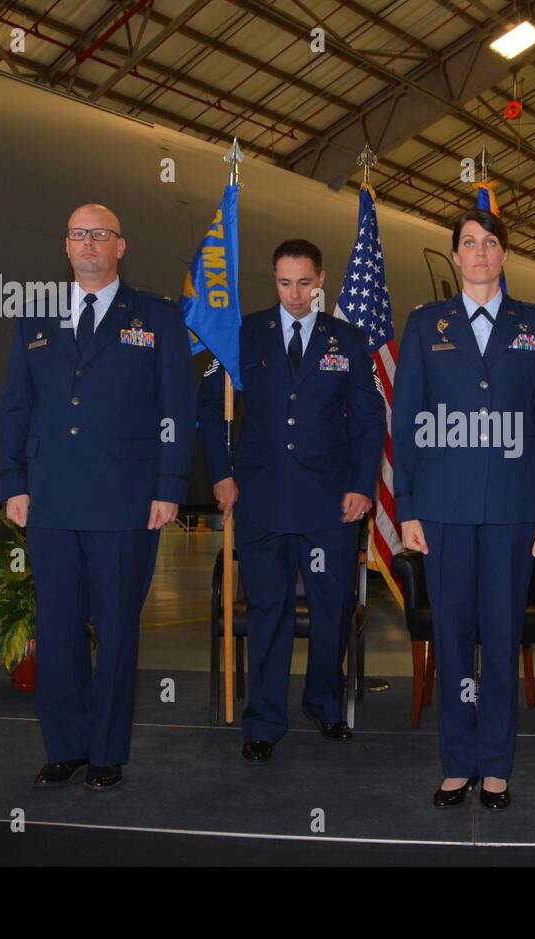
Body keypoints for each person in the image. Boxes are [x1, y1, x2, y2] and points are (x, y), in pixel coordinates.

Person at [0, 203, 196, 791]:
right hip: (51, 499)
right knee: (57, 629)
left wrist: (169, 487)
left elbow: (177, 411)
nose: (88, 244)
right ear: (66, 247)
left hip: (125, 500)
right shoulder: (33, 321)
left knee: (115, 629)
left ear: (120, 246)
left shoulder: (156, 318)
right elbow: (16, 405)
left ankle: (107, 750)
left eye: (100, 234)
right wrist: (14, 481)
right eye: (78, 235)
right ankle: (65, 746)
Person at [392, 209, 535, 811]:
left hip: (514, 511)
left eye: (491, 243)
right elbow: (408, 419)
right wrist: (408, 506)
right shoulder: (424, 326)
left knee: (501, 635)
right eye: (469, 244)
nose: (480, 253)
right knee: (452, 637)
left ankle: (495, 764)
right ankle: (457, 762)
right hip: (442, 510)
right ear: (456, 256)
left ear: (504, 255)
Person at [195, 239, 384, 764]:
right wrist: (220, 476)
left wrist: (362, 486)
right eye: (284, 282)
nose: (294, 294)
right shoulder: (241, 333)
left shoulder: (348, 340)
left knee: (331, 612)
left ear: (320, 278)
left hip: (330, 505)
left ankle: (323, 703)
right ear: (273, 279)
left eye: (304, 282)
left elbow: (369, 420)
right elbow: (210, 409)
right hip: (261, 500)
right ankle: (263, 722)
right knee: (268, 612)